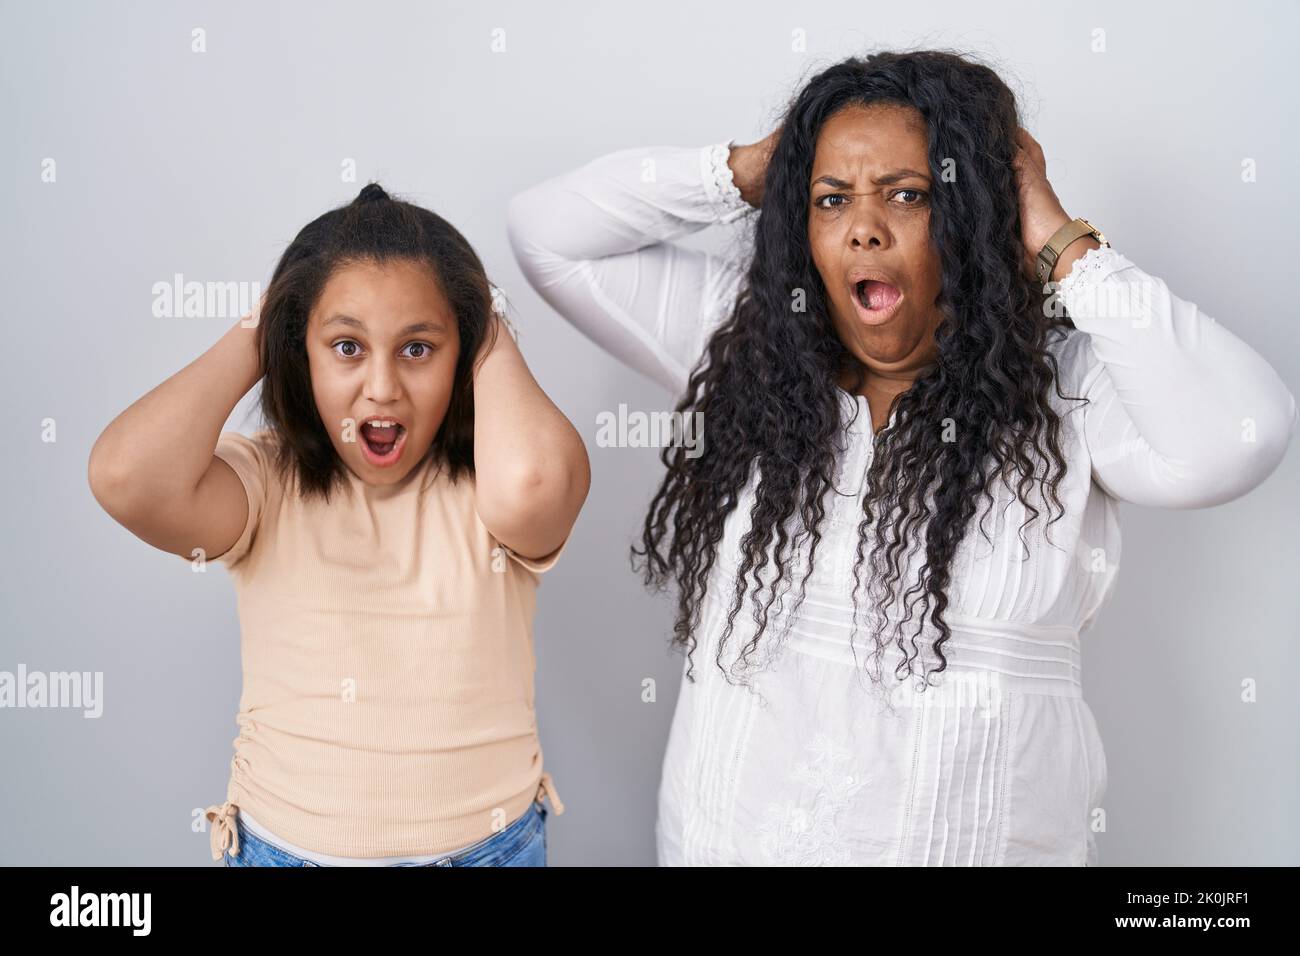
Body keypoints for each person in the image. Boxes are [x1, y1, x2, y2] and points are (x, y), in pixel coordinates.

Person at [505, 50, 1296, 865]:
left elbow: (1245, 432)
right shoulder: (751, 351)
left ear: (975, 215)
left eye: (909, 195)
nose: (864, 226)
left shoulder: (1066, 392)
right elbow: (548, 236)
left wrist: (1057, 238)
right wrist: (747, 170)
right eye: (830, 198)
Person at [89, 183, 589, 866]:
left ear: (464, 353)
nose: (382, 386)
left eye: (418, 349)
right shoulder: (265, 481)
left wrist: (484, 321)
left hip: (488, 848)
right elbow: (125, 476)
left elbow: (536, 486)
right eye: (347, 347)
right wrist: (265, 330)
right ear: (298, 353)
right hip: (283, 848)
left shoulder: (491, 483)